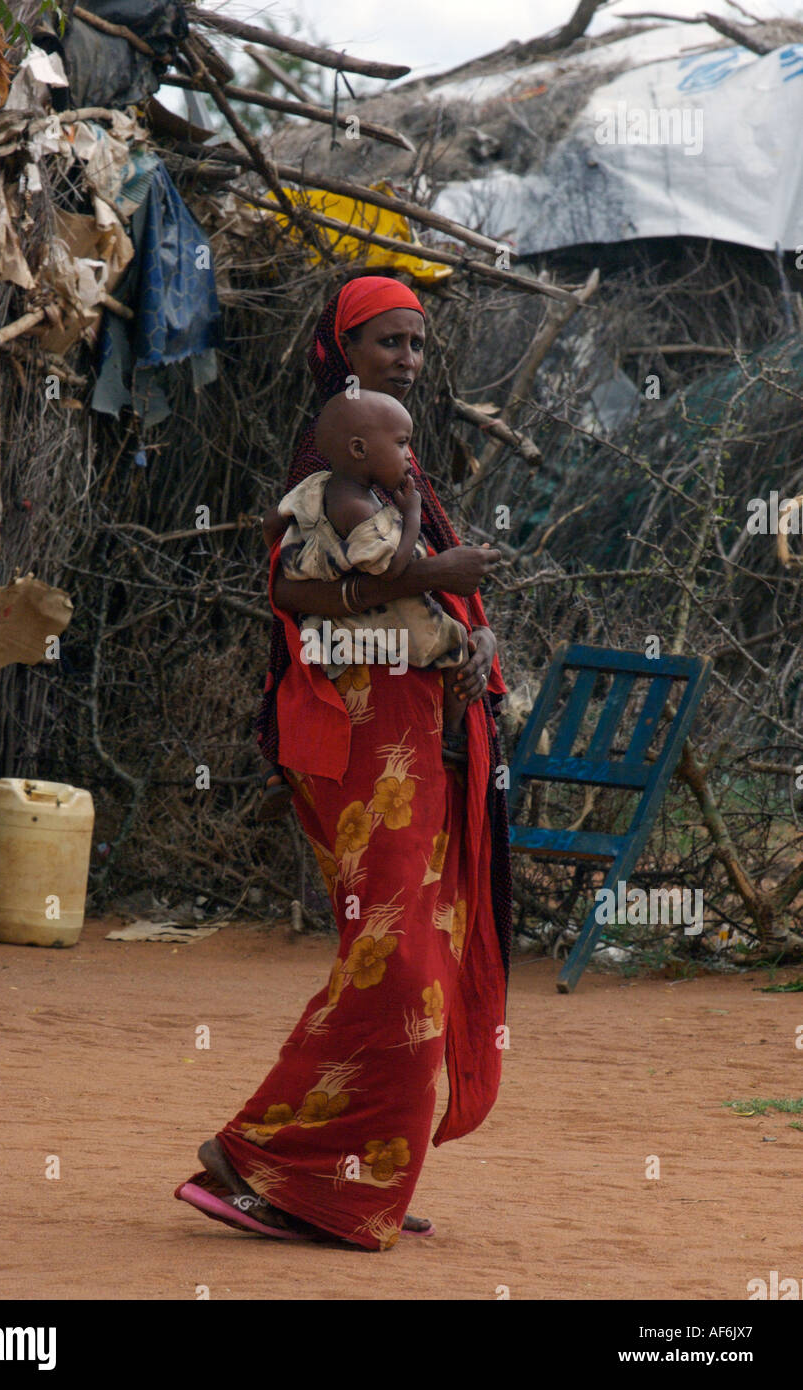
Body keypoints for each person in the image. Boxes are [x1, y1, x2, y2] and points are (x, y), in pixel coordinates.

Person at [175, 274, 513, 1250]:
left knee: (419, 964)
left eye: (417, 343)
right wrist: (439, 577)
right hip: (360, 743)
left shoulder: (398, 466)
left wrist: (476, 644)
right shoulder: (329, 465)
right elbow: (295, 590)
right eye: (387, 341)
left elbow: (433, 602)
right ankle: (265, 1157)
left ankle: (357, 1175)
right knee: (395, 962)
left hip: (424, 741)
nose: (407, 357)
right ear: (342, 349)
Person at [263, 390, 471, 759]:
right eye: (402, 444)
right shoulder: (360, 508)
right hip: (375, 625)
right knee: (458, 645)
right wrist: (412, 517)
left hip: (329, 625)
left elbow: (271, 522)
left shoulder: (318, 485)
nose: (409, 456)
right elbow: (393, 570)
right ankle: (453, 736)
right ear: (359, 449)